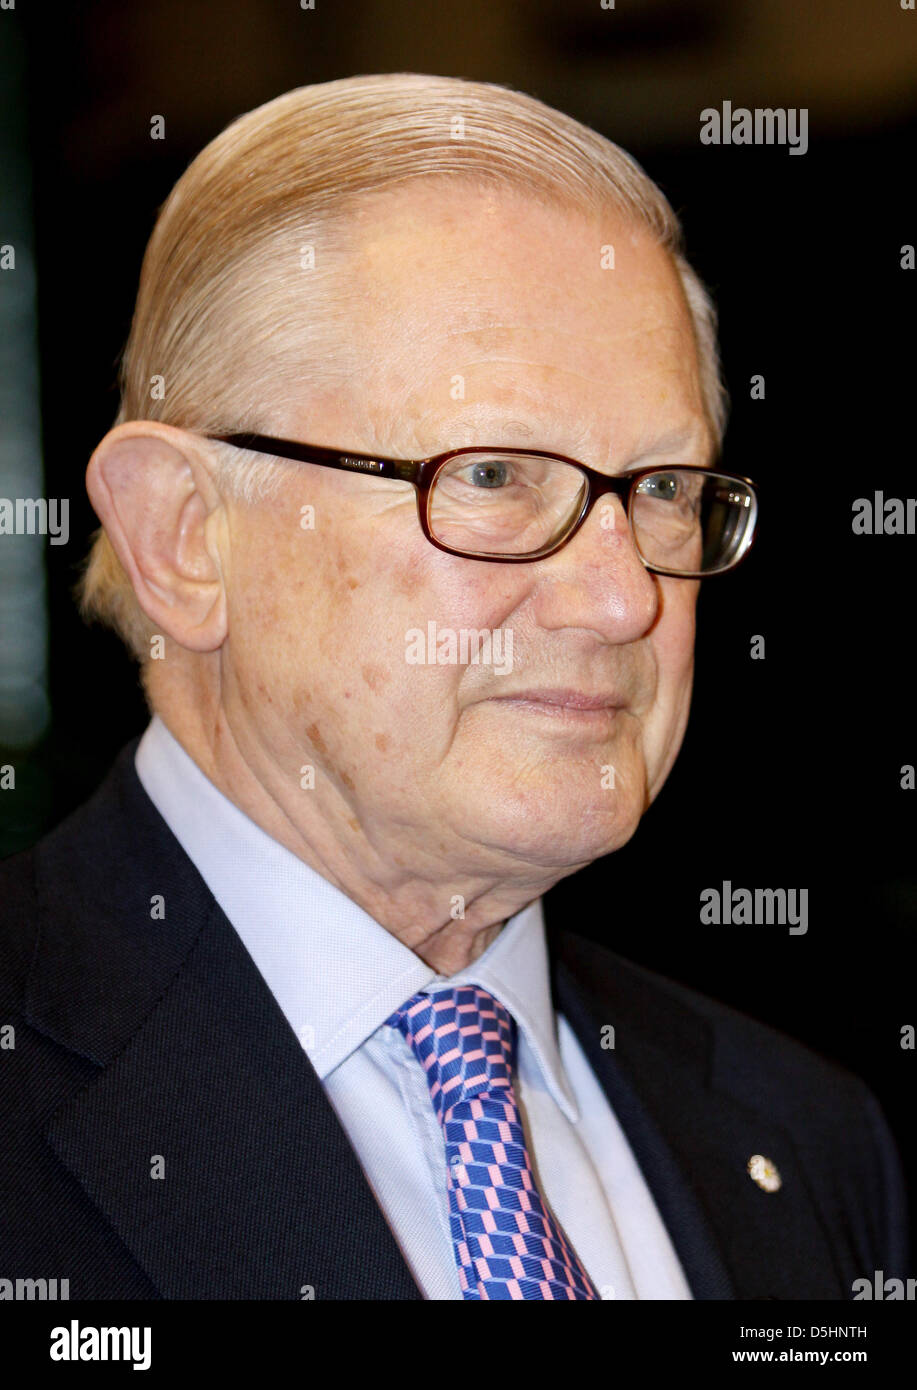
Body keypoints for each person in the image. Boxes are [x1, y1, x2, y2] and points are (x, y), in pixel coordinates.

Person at [0, 73, 907, 1300]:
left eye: (656, 489)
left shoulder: (800, 1137)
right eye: (489, 474)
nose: (619, 597)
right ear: (183, 538)